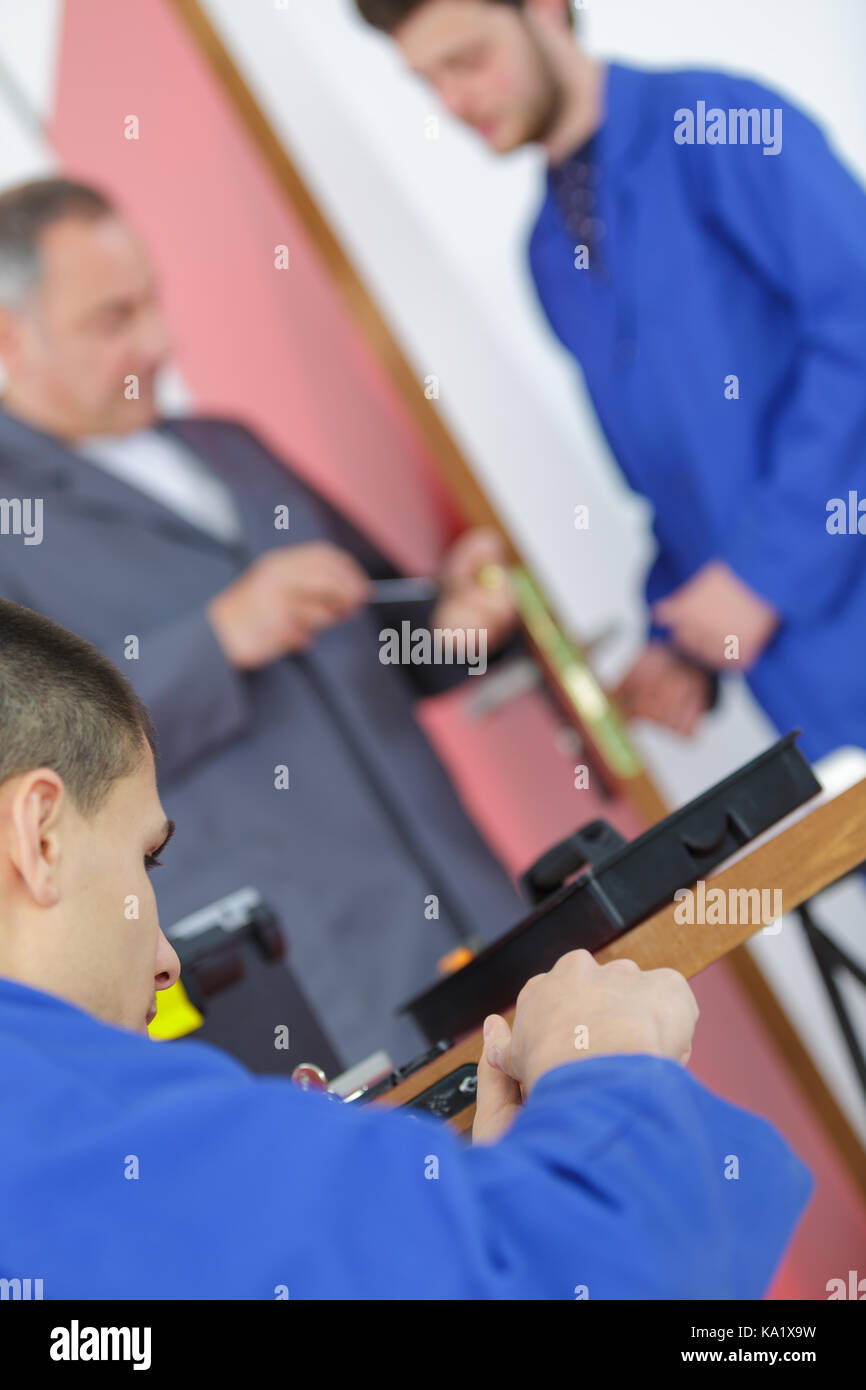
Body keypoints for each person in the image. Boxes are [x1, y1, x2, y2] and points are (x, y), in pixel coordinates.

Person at [0, 598, 810, 1298]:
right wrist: (610, 1071)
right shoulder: (109, 1139)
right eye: (147, 859)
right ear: (40, 836)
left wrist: (480, 1207)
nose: (167, 961)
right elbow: (611, 1272)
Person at [0, 176, 524, 1069]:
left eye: (152, 303)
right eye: (111, 319)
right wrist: (222, 637)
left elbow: (387, 635)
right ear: (12, 338)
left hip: (481, 915)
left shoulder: (230, 447)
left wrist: (462, 622)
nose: (160, 341)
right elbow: (29, 771)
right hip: (327, 992)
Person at [355, 0, 866, 755]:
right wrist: (677, 638)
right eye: (426, 81)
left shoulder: (713, 120)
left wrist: (763, 576)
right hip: (814, 704)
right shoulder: (549, 253)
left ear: (546, 11)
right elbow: (674, 480)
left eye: (465, 61)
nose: (453, 104)